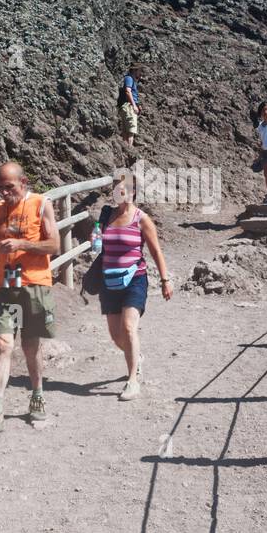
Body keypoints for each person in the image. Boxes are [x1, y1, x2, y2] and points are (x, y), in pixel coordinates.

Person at [0, 162, 61, 435]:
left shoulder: (41, 204)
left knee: (30, 346)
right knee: (2, 343)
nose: (5, 193)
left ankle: (37, 395)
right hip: (5, 284)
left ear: (24, 182)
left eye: (9, 187)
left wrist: (21, 245)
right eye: (0, 188)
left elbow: (54, 245)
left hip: (34, 283)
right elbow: (0, 245)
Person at [99, 172, 174, 401]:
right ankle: (136, 356)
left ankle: (132, 380)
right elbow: (96, 240)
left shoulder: (142, 219)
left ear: (133, 193)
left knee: (129, 328)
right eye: (118, 190)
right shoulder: (106, 215)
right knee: (116, 336)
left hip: (135, 279)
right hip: (109, 281)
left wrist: (165, 279)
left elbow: (155, 251)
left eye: (126, 190)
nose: (122, 193)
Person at [118, 64, 142, 146]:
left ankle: (126, 149)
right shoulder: (129, 78)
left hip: (126, 106)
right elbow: (128, 91)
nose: (140, 73)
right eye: (139, 70)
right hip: (129, 106)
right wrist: (134, 105)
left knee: (126, 131)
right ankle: (129, 149)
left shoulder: (130, 79)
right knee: (131, 131)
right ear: (135, 71)